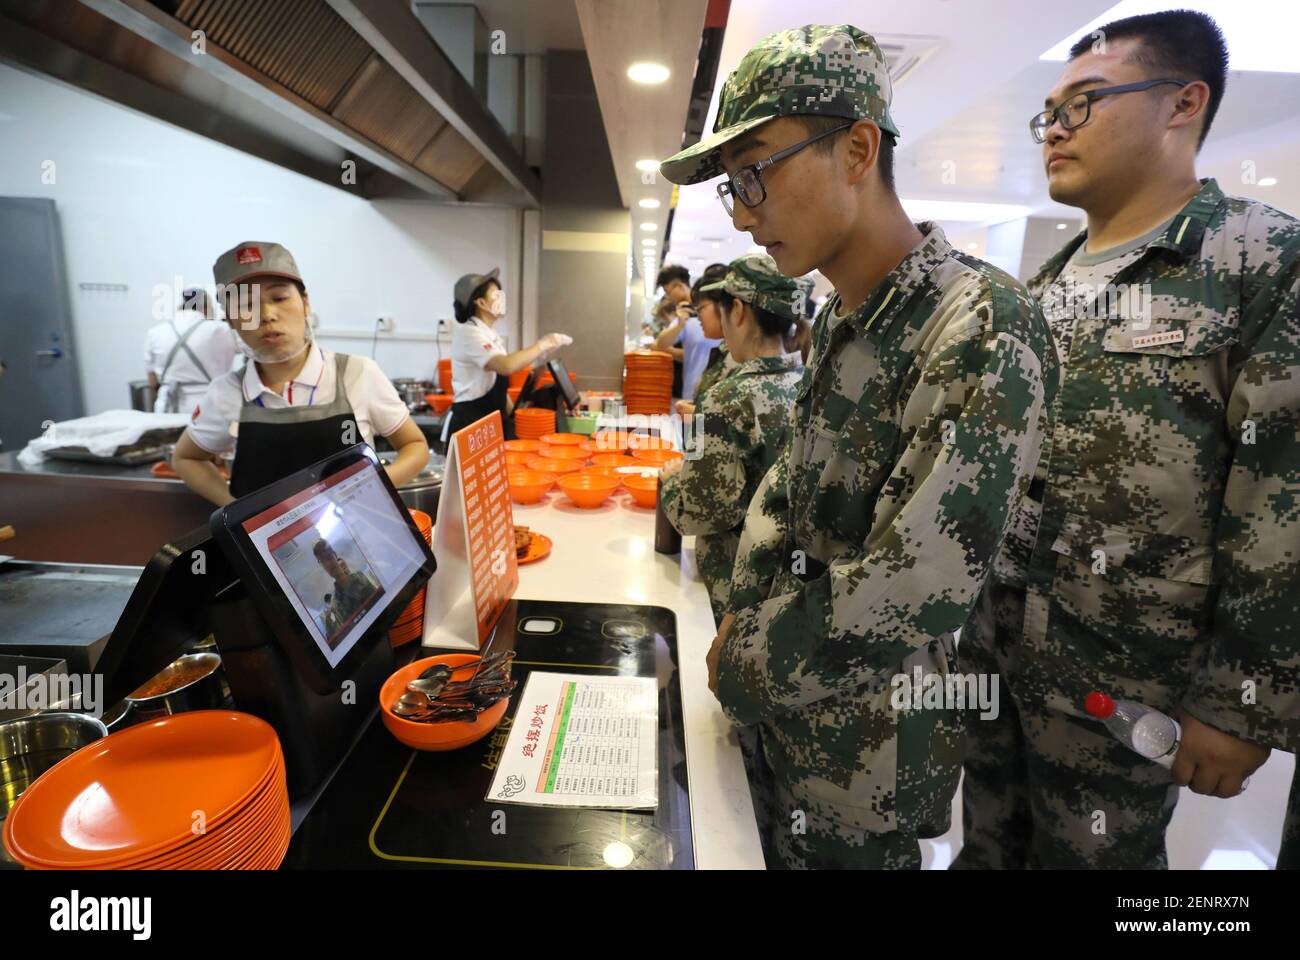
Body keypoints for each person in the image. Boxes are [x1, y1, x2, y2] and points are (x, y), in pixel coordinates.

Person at [659, 23, 1056, 869]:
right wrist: (742, 618)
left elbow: (924, 577)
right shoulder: (847, 315)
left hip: (865, 756)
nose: (745, 211)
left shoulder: (976, 320)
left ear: (858, 149)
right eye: (732, 188)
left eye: (756, 173)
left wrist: (750, 653)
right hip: (786, 714)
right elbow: (789, 484)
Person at [955, 10, 1300, 870]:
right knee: (991, 849)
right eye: (1049, 113)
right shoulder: (1045, 284)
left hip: (1128, 671)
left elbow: (1284, 495)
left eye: (1085, 104)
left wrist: (1241, 704)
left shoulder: (1259, 260)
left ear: (1184, 103)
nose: (1055, 132)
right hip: (998, 652)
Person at [171, 242, 429, 504]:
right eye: (246, 305)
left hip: (354, 537)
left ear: (305, 303)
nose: (267, 315)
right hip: (263, 544)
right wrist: (237, 512)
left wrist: (368, 489)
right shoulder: (226, 392)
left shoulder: (356, 373)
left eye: (280, 298)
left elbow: (415, 447)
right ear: (230, 319)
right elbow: (185, 458)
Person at [659, 253, 805, 627]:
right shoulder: (809, 385)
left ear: (737, 310)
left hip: (736, 588)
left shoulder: (726, 399)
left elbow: (700, 513)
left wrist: (671, 480)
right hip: (791, 583)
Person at [444, 269, 571, 443]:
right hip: (470, 424)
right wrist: (543, 344)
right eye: (496, 295)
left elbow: (498, 384)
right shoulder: (469, 333)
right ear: (480, 302)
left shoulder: (491, 335)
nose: (502, 299)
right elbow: (506, 366)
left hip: (489, 421)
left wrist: (514, 415)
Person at [143, 288, 236, 414]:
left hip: (167, 409)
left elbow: (152, 381)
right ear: (206, 309)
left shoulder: (155, 333)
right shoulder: (221, 330)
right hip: (209, 408)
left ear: (180, 307)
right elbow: (253, 351)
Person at [655, 267, 723, 403]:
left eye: (668, 292)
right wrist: (680, 324)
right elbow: (661, 343)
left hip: (718, 397)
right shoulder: (685, 315)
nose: (668, 297)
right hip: (691, 395)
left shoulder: (726, 319)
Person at [677, 263, 731, 418]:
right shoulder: (725, 351)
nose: (698, 316)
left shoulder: (742, 357)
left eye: (701, 308)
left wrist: (696, 413)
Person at [313, 539, 381, 640]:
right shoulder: (335, 602)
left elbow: (378, 605)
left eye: (328, 555)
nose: (328, 563)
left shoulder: (359, 578)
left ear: (335, 555)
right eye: (322, 560)